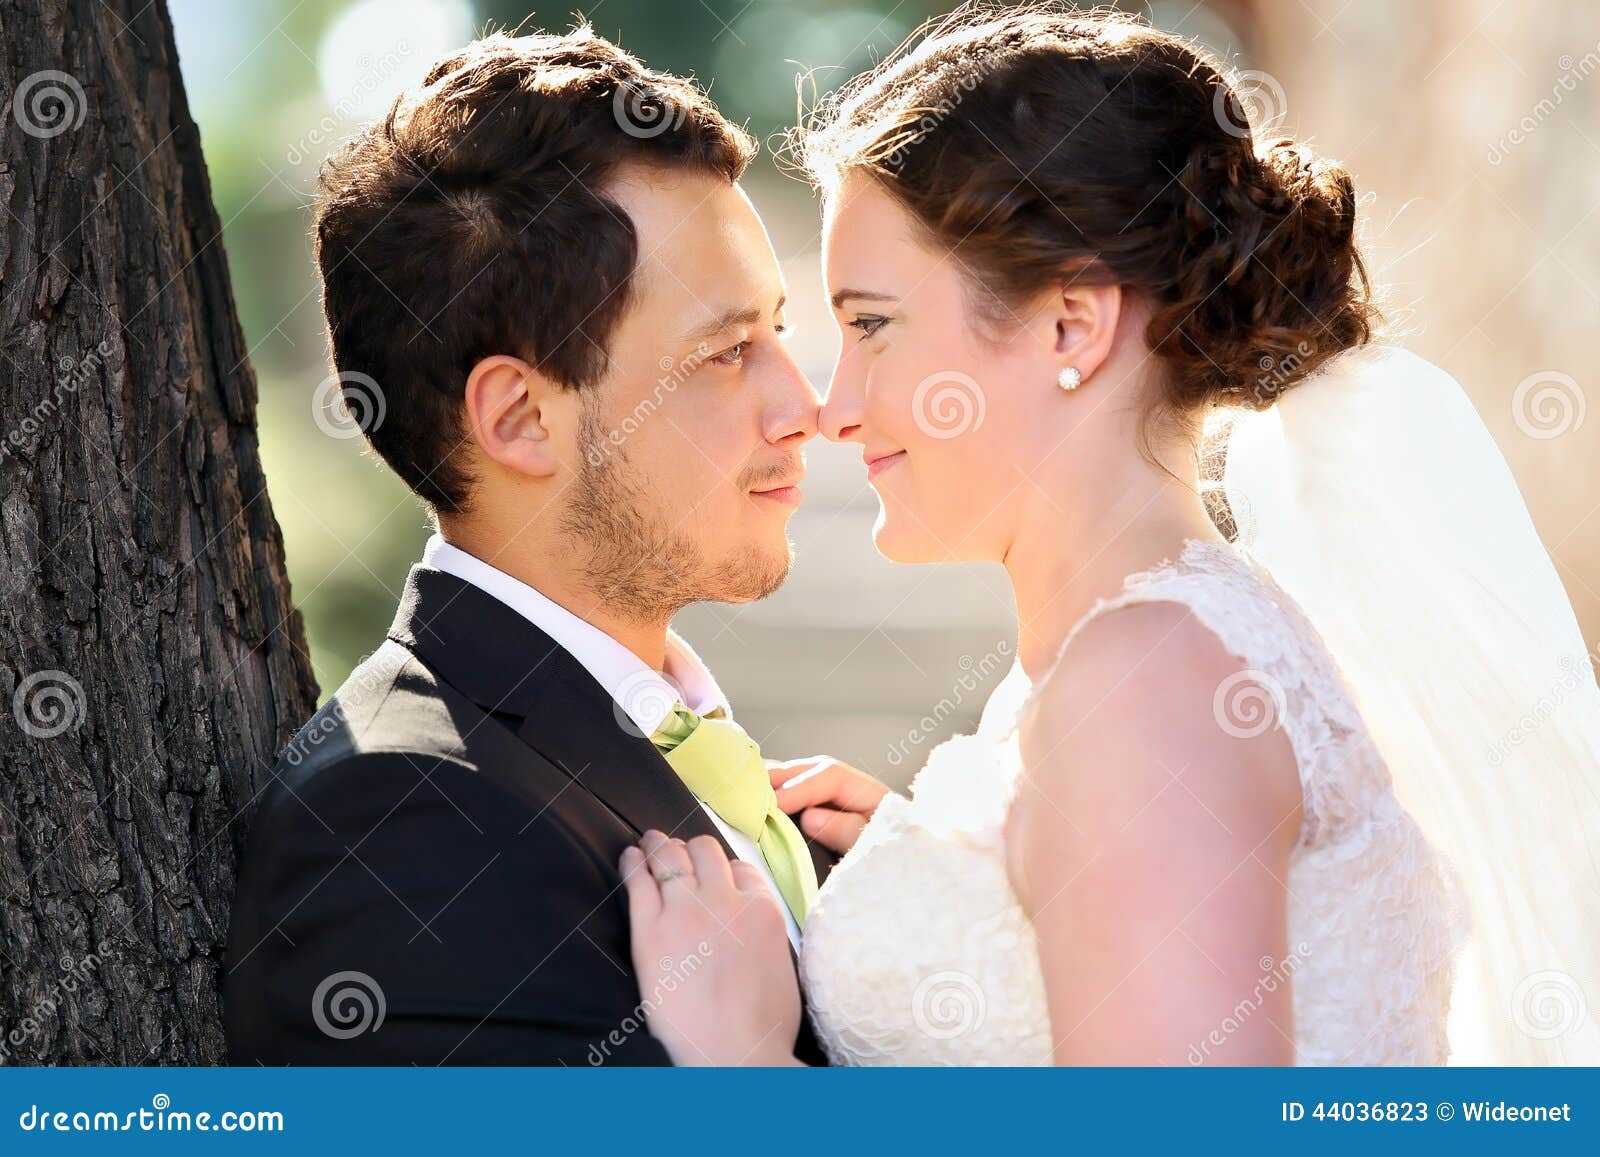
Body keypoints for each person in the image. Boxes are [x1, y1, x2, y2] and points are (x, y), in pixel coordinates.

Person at [621, 5, 1600, 1067]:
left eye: (871, 326)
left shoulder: (1147, 685)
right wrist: (957, 884)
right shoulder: (1147, 664)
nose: (830, 405)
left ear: (1070, 326)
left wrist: (747, 1074)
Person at [224, 27, 838, 1065]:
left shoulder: (729, 781)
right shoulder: (404, 827)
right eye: (728, 351)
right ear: (517, 417)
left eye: (780, 330)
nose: (804, 406)